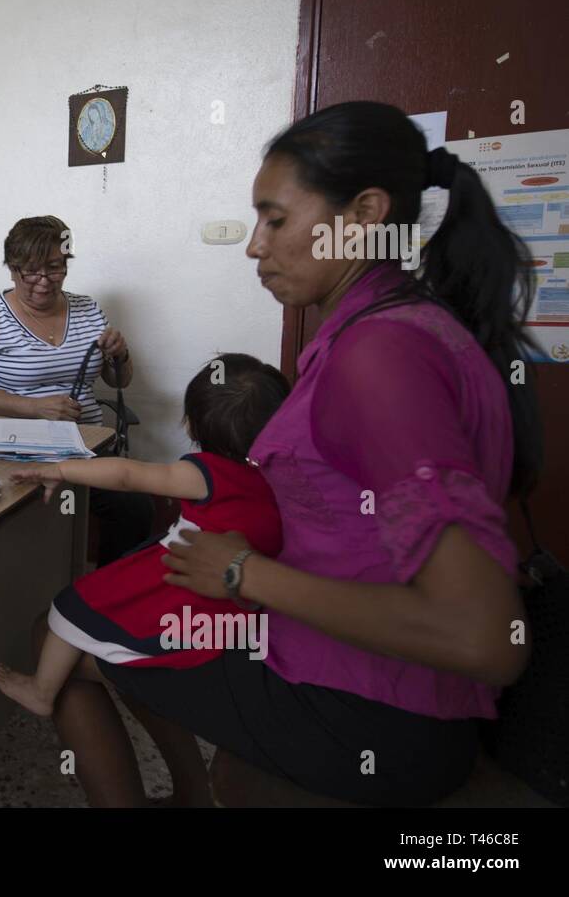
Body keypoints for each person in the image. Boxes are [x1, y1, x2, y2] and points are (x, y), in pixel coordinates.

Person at [47, 101, 538, 808]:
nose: (255, 246)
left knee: (67, 642)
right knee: (131, 620)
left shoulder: (380, 356)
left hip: (369, 707)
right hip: (353, 668)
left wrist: (243, 572)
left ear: (364, 214)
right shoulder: (395, 326)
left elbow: (485, 635)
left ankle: (187, 791)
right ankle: (190, 792)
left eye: (275, 220)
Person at [0, 354, 287, 716]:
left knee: (75, 604)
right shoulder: (284, 480)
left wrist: (60, 470)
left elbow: (127, 475)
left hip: (185, 594)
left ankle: (42, 691)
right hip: (237, 616)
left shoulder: (206, 473)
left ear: (191, 426)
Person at [0, 215, 153, 564]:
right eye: (31, 271)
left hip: (86, 448)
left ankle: (106, 587)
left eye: (55, 268)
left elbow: (119, 381)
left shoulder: (88, 309)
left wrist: (120, 354)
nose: (44, 281)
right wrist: (34, 408)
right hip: (18, 451)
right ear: (12, 269)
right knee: (29, 519)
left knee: (135, 506)